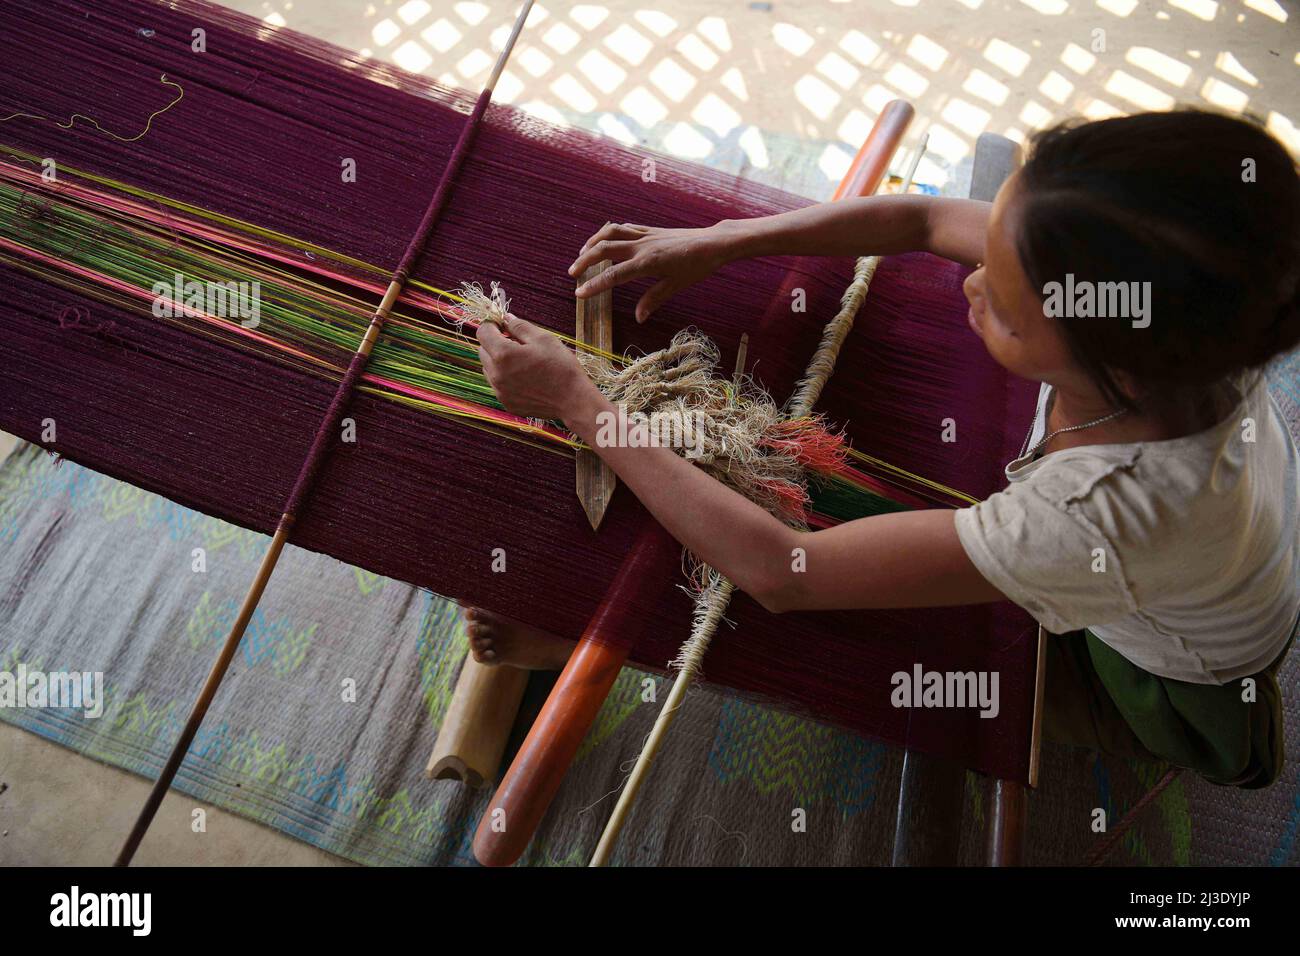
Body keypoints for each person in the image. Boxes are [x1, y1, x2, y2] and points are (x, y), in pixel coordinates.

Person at [468, 110, 1300, 788]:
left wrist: (580, 402)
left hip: (1168, 685)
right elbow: (925, 216)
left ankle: (605, 641)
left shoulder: (1103, 513)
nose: (971, 283)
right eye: (994, 254)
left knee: (852, 627)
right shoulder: (1163, 309)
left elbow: (781, 570)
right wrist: (723, 237)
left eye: (1006, 310)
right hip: (1197, 570)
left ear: (1112, 360)